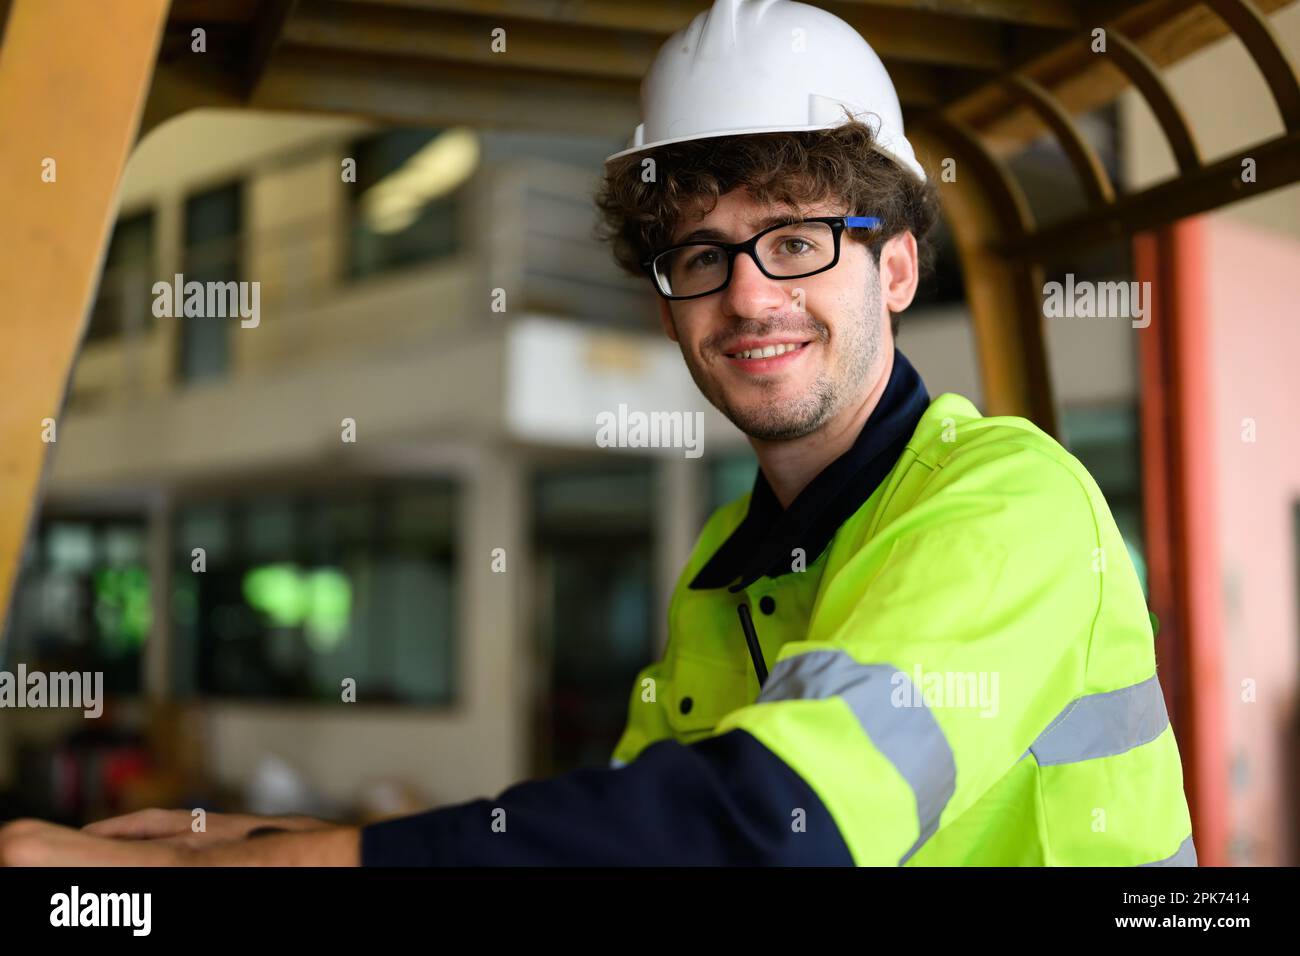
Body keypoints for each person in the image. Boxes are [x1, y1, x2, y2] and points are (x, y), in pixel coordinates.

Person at [0, 0, 1194, 867]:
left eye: (793, 239)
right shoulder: (733, 558)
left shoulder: (1010, 507)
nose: (747, 295)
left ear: (892, 267)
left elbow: (775, 823)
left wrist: (310, 871)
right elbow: (639, 826)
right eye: (699, 256)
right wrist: (311, 837)